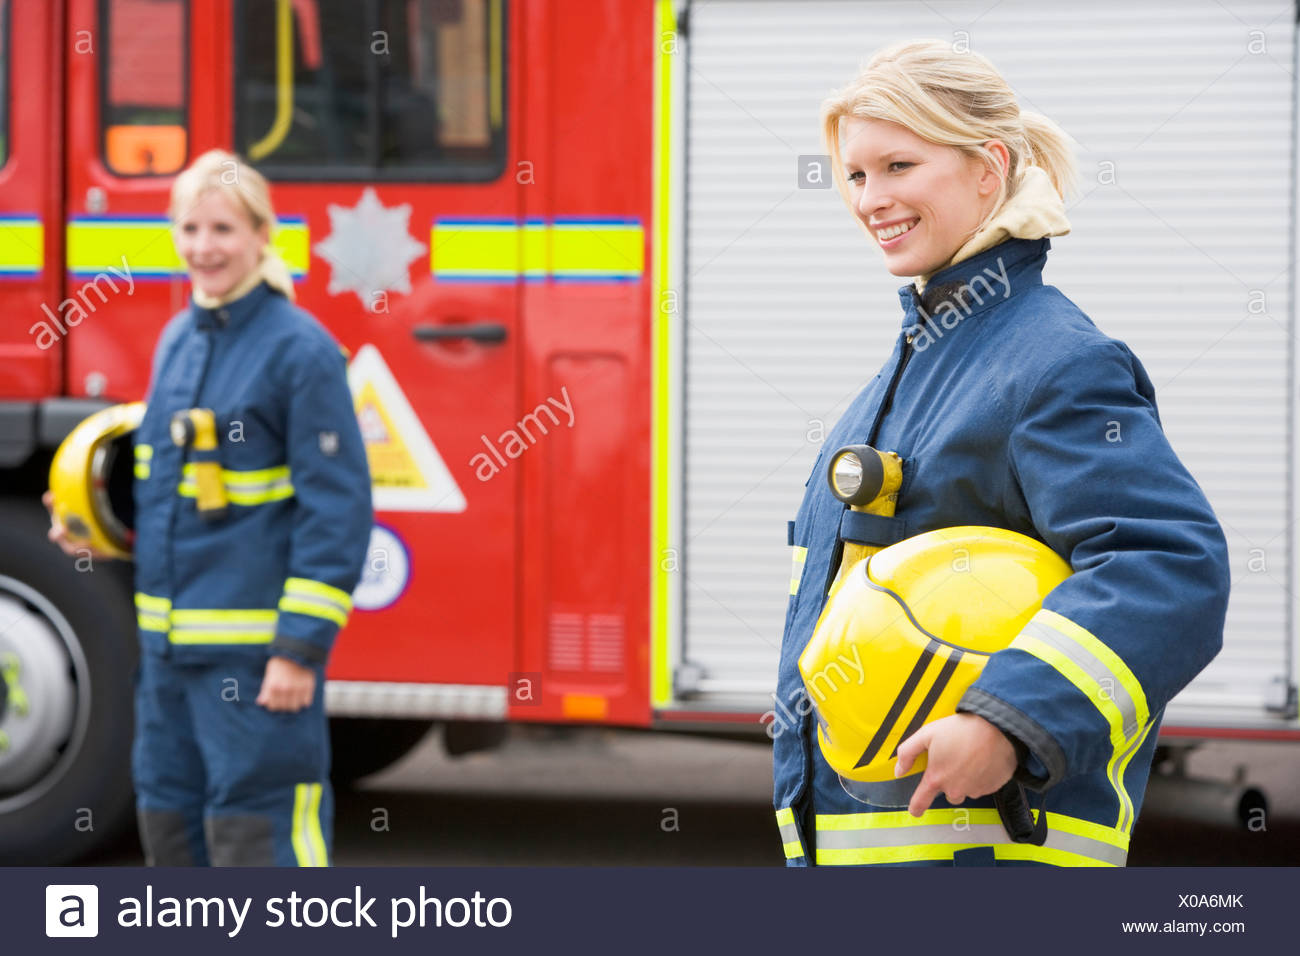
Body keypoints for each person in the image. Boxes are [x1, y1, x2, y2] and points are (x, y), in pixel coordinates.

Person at [771, 40, 1231, 867]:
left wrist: (1008, 718)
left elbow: (1168, 565)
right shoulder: (915, 368)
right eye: (855, 175)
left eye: (898, 165)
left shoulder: (1052, 362)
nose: (871, 198)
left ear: (989, 170)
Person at [47, 149, 373, 866]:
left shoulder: (301, 352)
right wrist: (85, 520)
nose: (204, 248)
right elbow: (173, 486)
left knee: (258, 840)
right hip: (166, 663)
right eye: (189, 229)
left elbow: (338, 511)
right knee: (170, 827)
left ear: (263, 235)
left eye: (223, 229)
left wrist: (298, 652)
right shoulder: (178, 339)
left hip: (256, 665)